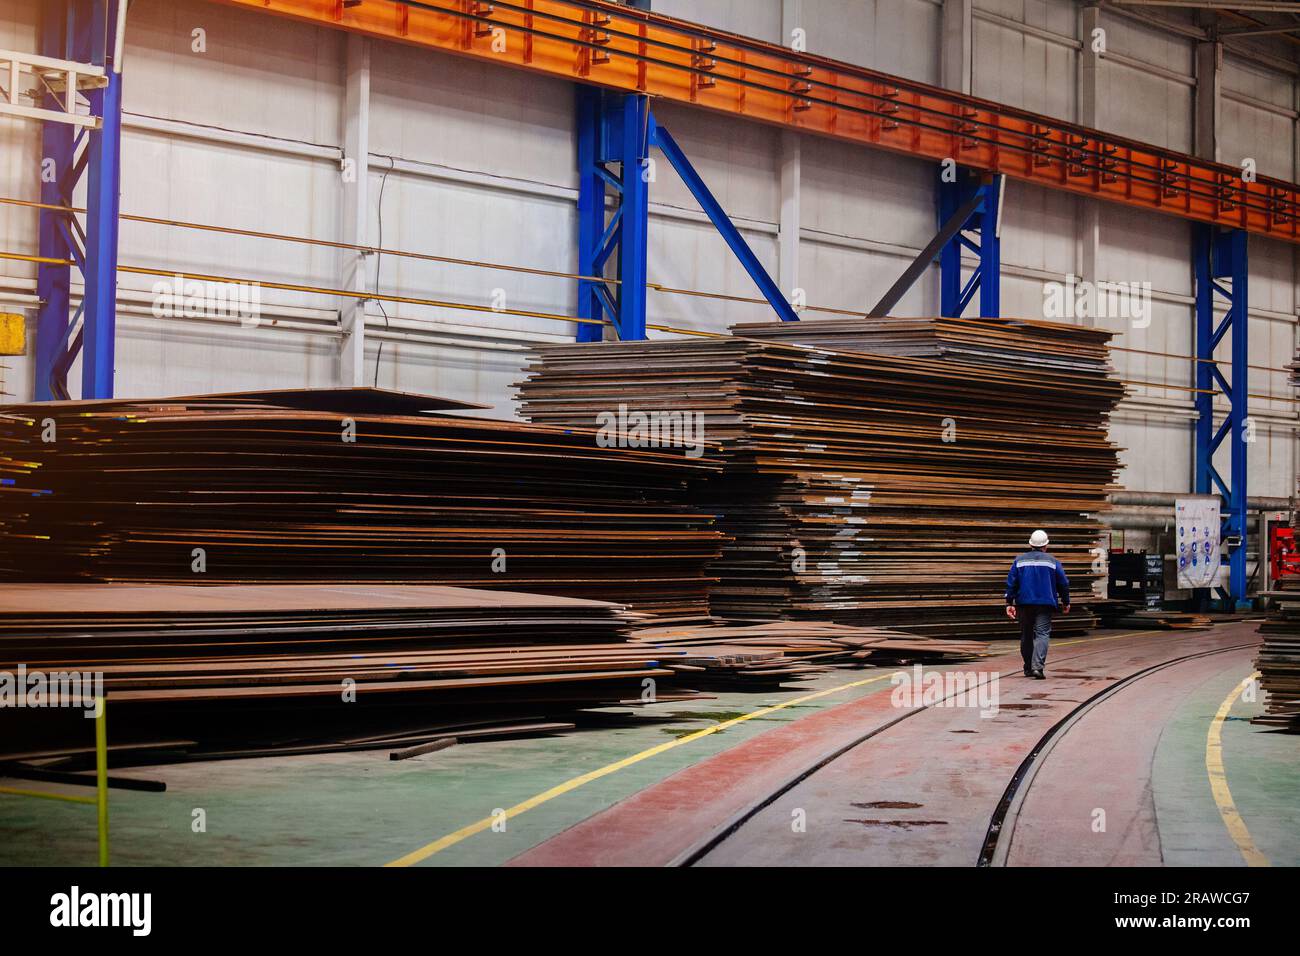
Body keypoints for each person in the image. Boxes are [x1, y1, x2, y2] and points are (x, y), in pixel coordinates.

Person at [1004, 530, 1070, 679]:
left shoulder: (1019, 561)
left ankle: (1028, 668)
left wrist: (1009, 602)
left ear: (1030, 544)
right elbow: (1064, 583)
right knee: (1042, 634)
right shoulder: (1052, 562)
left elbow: (1011, 583)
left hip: (1024, 603)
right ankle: (1037, 668)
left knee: (1026, 635)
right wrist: (1066, 601)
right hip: (1045, 604)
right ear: (1046, 545)